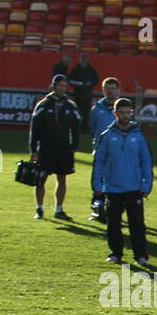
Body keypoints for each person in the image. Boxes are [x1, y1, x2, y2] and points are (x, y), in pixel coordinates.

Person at [91, 98, 154, 267]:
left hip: (134, 187)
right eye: (122, 112)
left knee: (137, 224)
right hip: (113, 187)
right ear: (115, 113)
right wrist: (97, 185)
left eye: (128, 112)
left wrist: (146, 185)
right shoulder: (107, 136)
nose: (126, 116)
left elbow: (146, 161)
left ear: (131, 112)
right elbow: (99, 162)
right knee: (113, 224)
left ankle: (141, 255)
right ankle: (116, 253)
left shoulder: (139, 136)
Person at [27, 75, 81, 220]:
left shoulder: (70, 105)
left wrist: (74, 146)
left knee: (62, 178)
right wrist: (33, 150)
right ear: (53, 86)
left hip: (64, 149)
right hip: (46, 148)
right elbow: (34, 129)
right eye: (60, 86)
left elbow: (76, 128)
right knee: (41, 179)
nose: (63, 89)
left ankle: (59, 209)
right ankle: (39, 209)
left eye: (65, 86)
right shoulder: (43, 104)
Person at [87, 77, 121, 221]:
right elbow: (92, 128)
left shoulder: (123, 108)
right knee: (98, 179)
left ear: (118, 90)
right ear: (103, 90)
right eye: (107, 88)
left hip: (119, 152)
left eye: (112, 88)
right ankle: (97, 206)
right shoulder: (96, 109)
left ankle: (115, 209)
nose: (110, 91)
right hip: (101, 151)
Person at [68, 54, 99, 131]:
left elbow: (96, 80)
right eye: (82, 59)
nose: (83, 61)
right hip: (78, 94)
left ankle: (84, 128)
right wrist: (79, 84)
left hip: (88, 94)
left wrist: (90, 83)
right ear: (80, 60)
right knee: (77, 110)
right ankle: (75, 126)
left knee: (86, 112)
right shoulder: (75, 69)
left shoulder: (91, 69)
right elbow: (70, 80)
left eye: (85, 59)